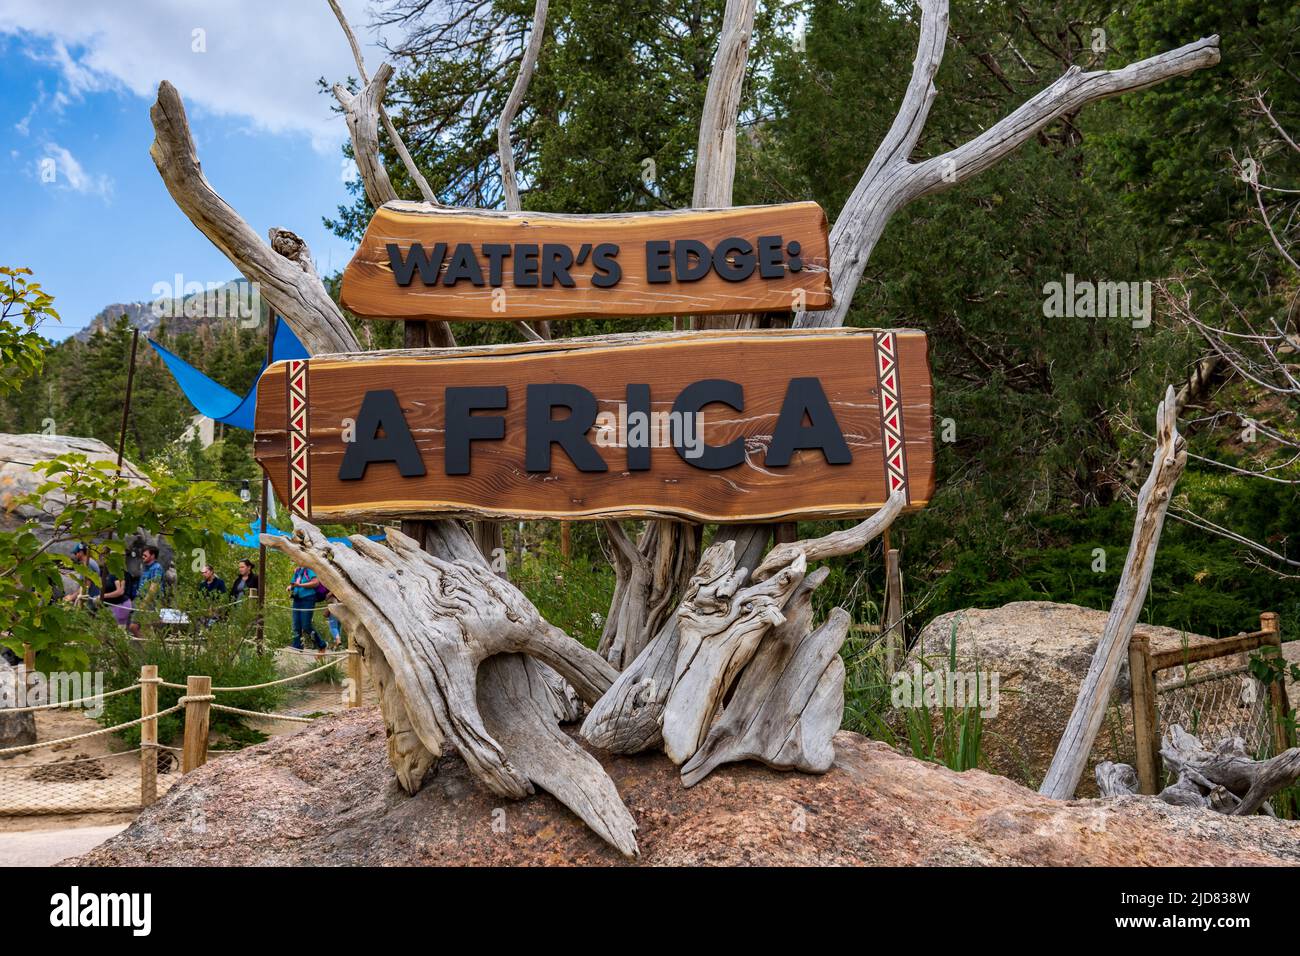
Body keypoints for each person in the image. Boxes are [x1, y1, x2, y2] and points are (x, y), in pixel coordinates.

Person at [129, 545, 166, 637]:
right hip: (141, 599)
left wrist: (145, 603)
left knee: (146, 626)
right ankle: (148, 648)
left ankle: (151, 648)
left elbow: (154, 588)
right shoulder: (145, 567)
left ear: (152, 556)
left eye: (145, 555)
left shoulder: (156, 568)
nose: (142, 557)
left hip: (150, 601)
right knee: (134, 626)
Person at [288, 564, 327, 651]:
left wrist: (300, 585)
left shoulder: (309, 569)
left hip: (308, 598)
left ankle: (321, 644)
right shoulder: (297, 571)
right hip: (297, 599)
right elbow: (294, 584)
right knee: (296, 625)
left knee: (306, 626)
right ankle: (297, 646)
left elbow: (316, 583)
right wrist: (290, 587)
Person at [99, 564, 132, 629]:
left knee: (119, 631)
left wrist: (103, 596)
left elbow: (120, 591)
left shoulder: (117, 574)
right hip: (111, 606)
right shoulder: (105, 573)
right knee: (105, 630)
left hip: (121, 605)